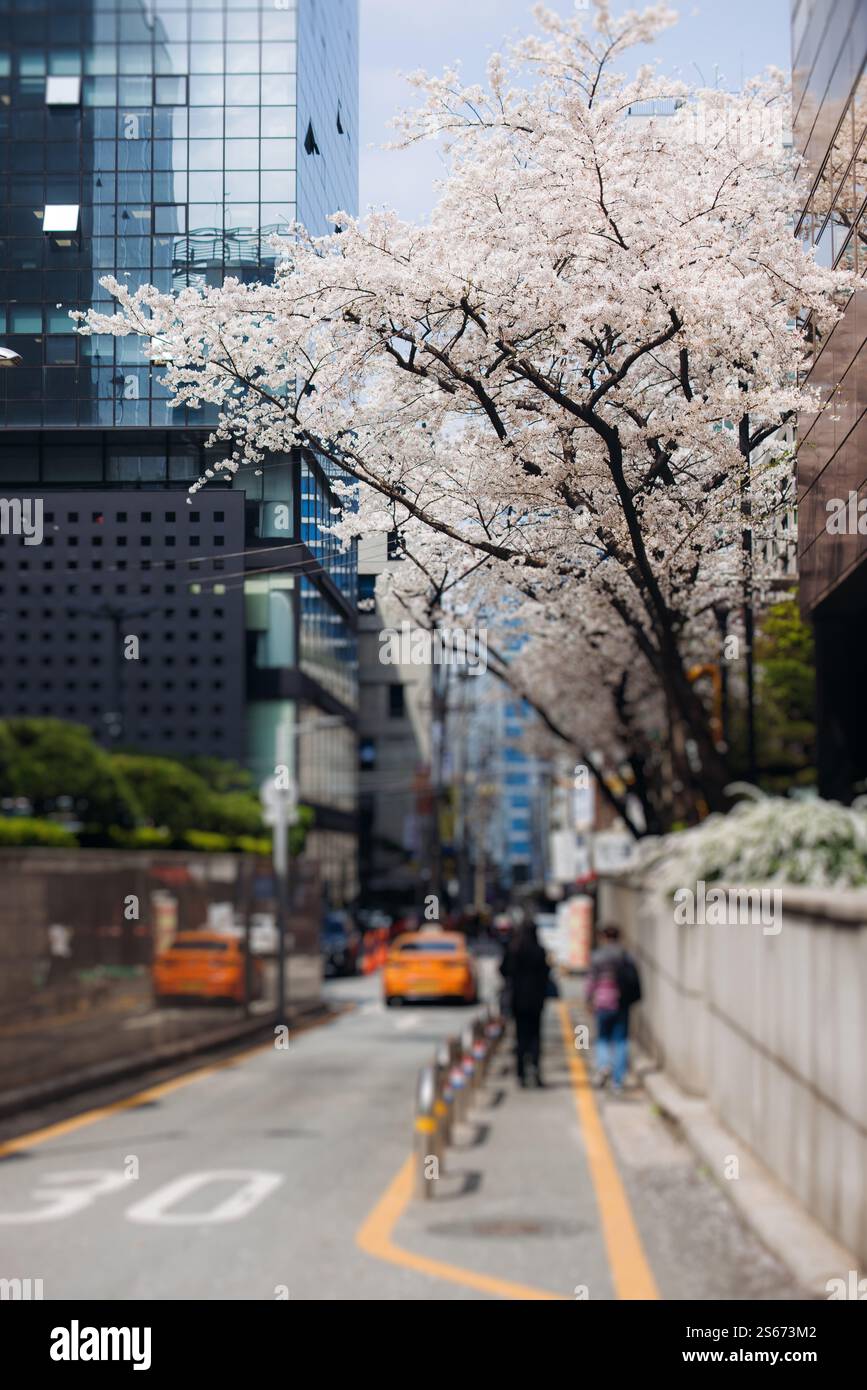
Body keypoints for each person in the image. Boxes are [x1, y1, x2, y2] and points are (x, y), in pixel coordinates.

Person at [586, 925, 642, 1095]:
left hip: (603, 1001)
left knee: (603, 1038)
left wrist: (588, 999)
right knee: (621, 1040)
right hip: (621, 1001)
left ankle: (603, 1066)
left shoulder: (597, 956)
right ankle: (618, 1081)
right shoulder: (625, 956)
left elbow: (591, 980)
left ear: (603, 937)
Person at [500, 919, 551, 1087]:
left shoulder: (514, 950)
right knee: (535, 1036)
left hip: (517, 999)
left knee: (520, 1036)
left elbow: (503, 970)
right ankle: (536, 1070)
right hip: (536, 1000)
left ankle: (521, 1073)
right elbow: (546, 974)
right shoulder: (540, 951)